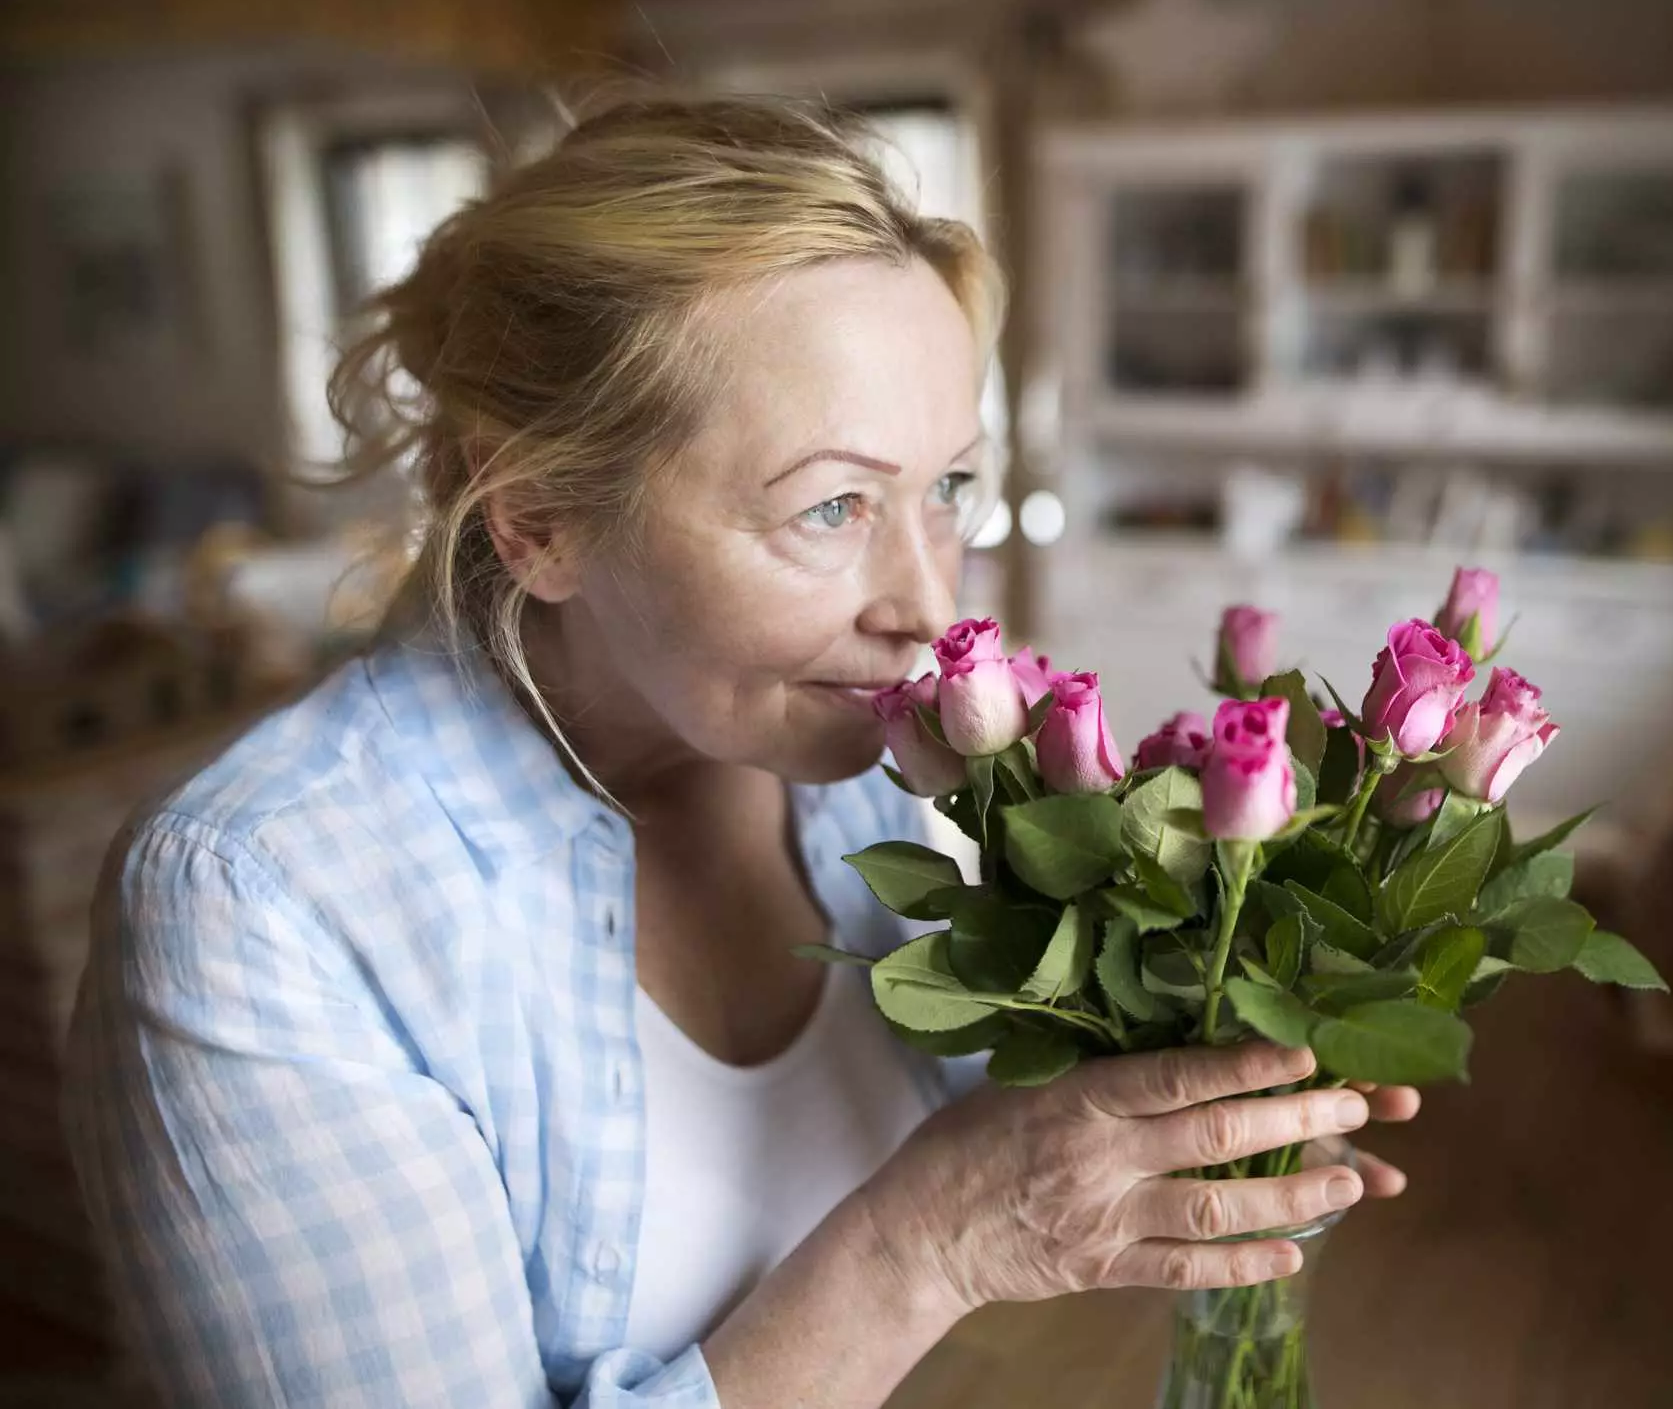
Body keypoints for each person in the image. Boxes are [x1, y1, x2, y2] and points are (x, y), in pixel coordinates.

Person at [62, 97, 1421, 1408]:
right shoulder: (261, 904)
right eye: (830, 506)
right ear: (540, 519)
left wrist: (1213, 1085)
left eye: (945, 488)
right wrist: (931, 1240)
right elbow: (945, 1217)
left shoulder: (838, 759)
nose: (930, 609)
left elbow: (1019, 1129)